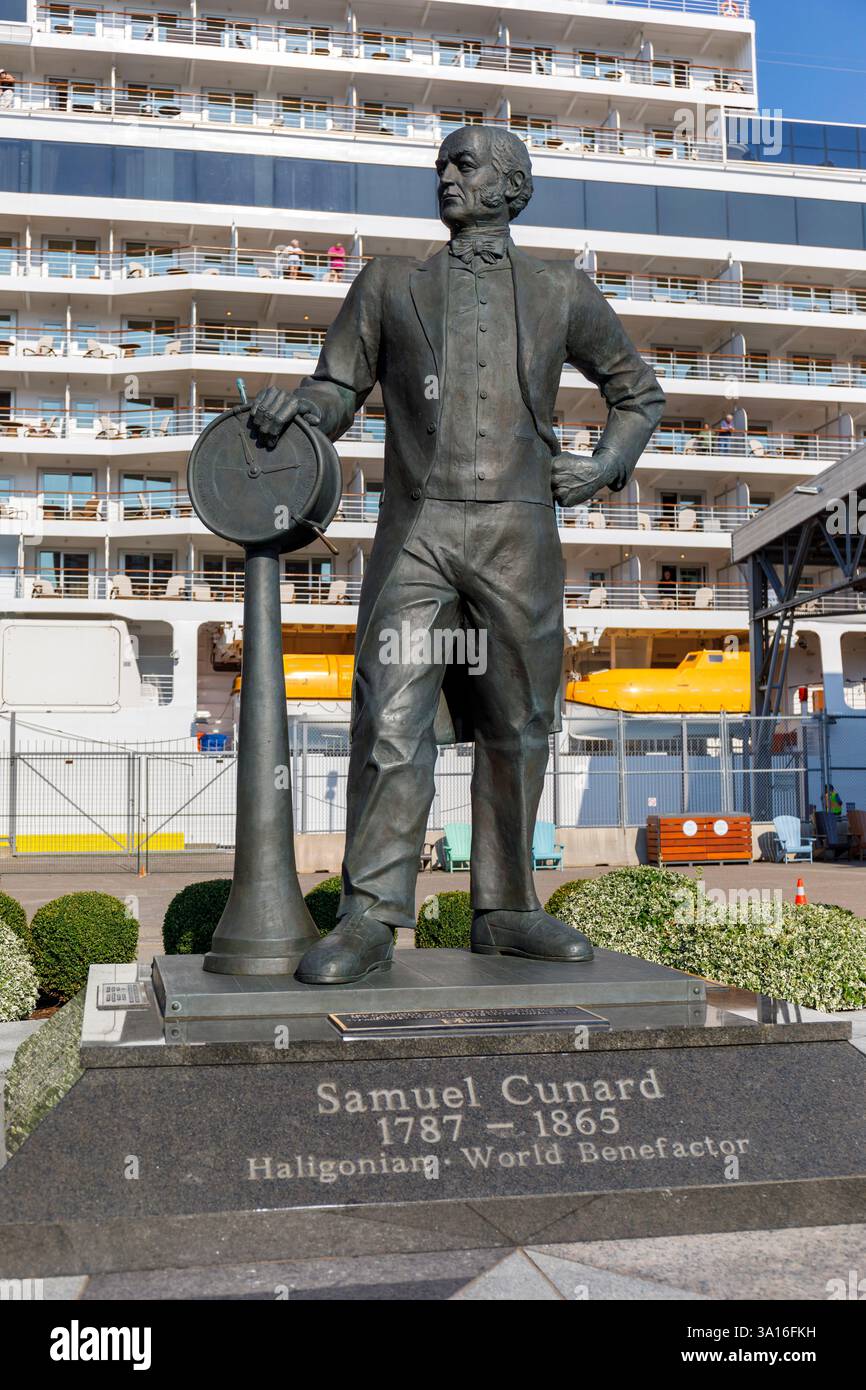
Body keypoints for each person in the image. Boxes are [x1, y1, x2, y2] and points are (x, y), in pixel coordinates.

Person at [251, 125, 665, 984]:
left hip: (522, 536)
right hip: (419, 535)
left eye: (465, 163)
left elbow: (638, 392)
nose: (445, 174)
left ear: (514, 188)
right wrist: (300, 412)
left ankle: (508, 908)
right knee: (392, 717)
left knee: (521, 723)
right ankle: (369, 916)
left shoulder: (562, 290)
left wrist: (602, 466)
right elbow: (337, 389)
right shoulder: (388, 283)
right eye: (441, 162)